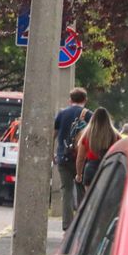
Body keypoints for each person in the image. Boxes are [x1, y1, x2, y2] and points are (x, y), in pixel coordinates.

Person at [53, 88, 90, 229]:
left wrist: (52, 154)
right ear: (85, 100)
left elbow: (53, 135)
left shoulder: (62, 114)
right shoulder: (89, 115)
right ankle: (80, 224)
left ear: (70, 100)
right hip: (82, 159)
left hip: (63, 157)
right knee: (82, 190)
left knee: (66, 191)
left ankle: (67, 225)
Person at [74, 107, 120, 201]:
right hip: (108, 169)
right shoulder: (115, 135)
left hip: (91, 169)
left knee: (90, 201)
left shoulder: (87, 135)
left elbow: (80, 158)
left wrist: (79, 174)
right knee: (105, 201)